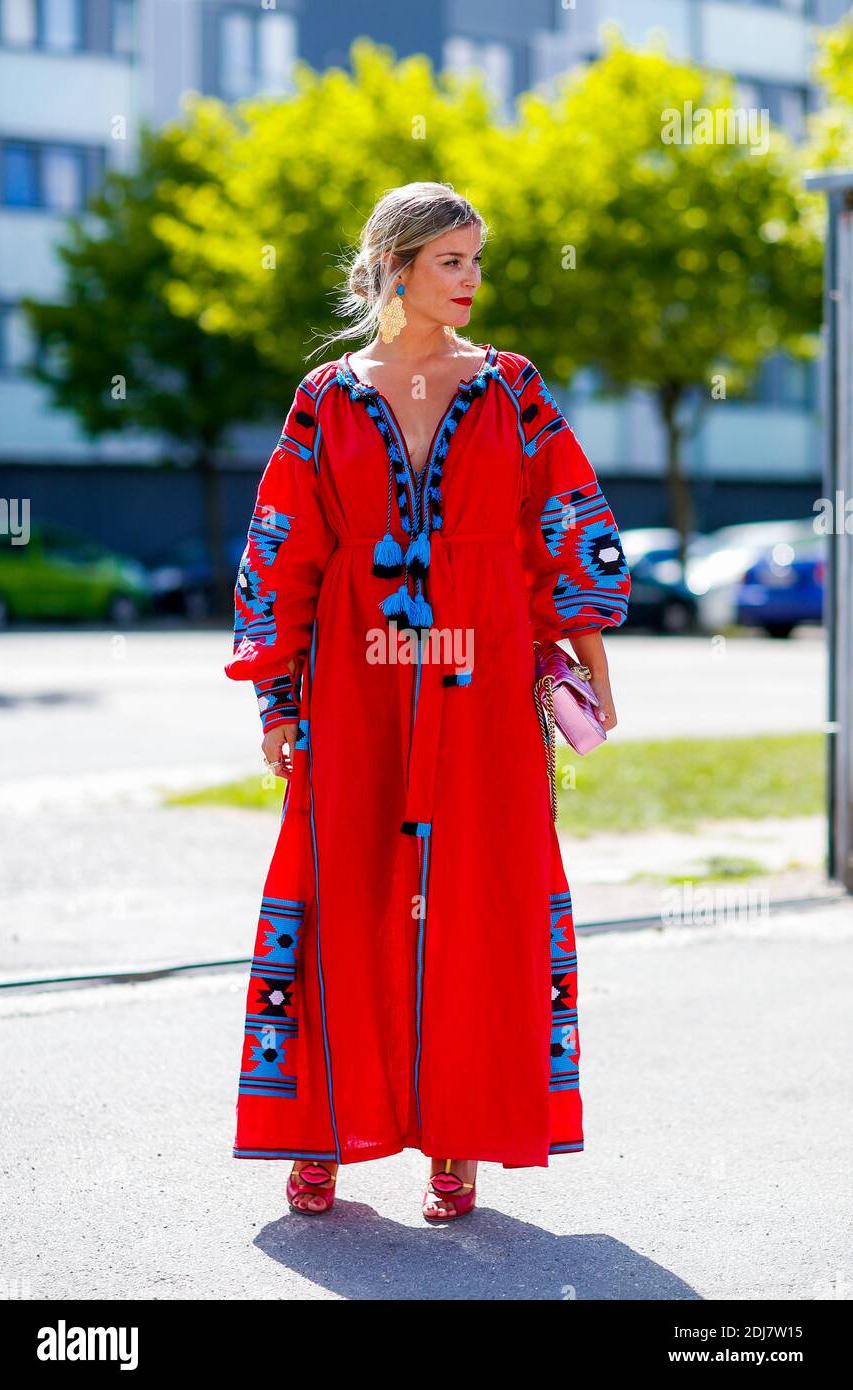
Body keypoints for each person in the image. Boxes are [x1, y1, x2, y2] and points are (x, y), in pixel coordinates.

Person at [225, 181, 630, 1221]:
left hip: (486, 683)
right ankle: (318, 1130)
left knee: (476, 903)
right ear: (395, 266)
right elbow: (284, 556)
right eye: (452, 260)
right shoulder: (323, 397)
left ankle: (458, 1139)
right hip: (353, 685)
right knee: (339, 894)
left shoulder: (512, 389)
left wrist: (588, 666)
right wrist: (278, 701)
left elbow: (566, 531)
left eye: (475, 260)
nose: (471, 280)